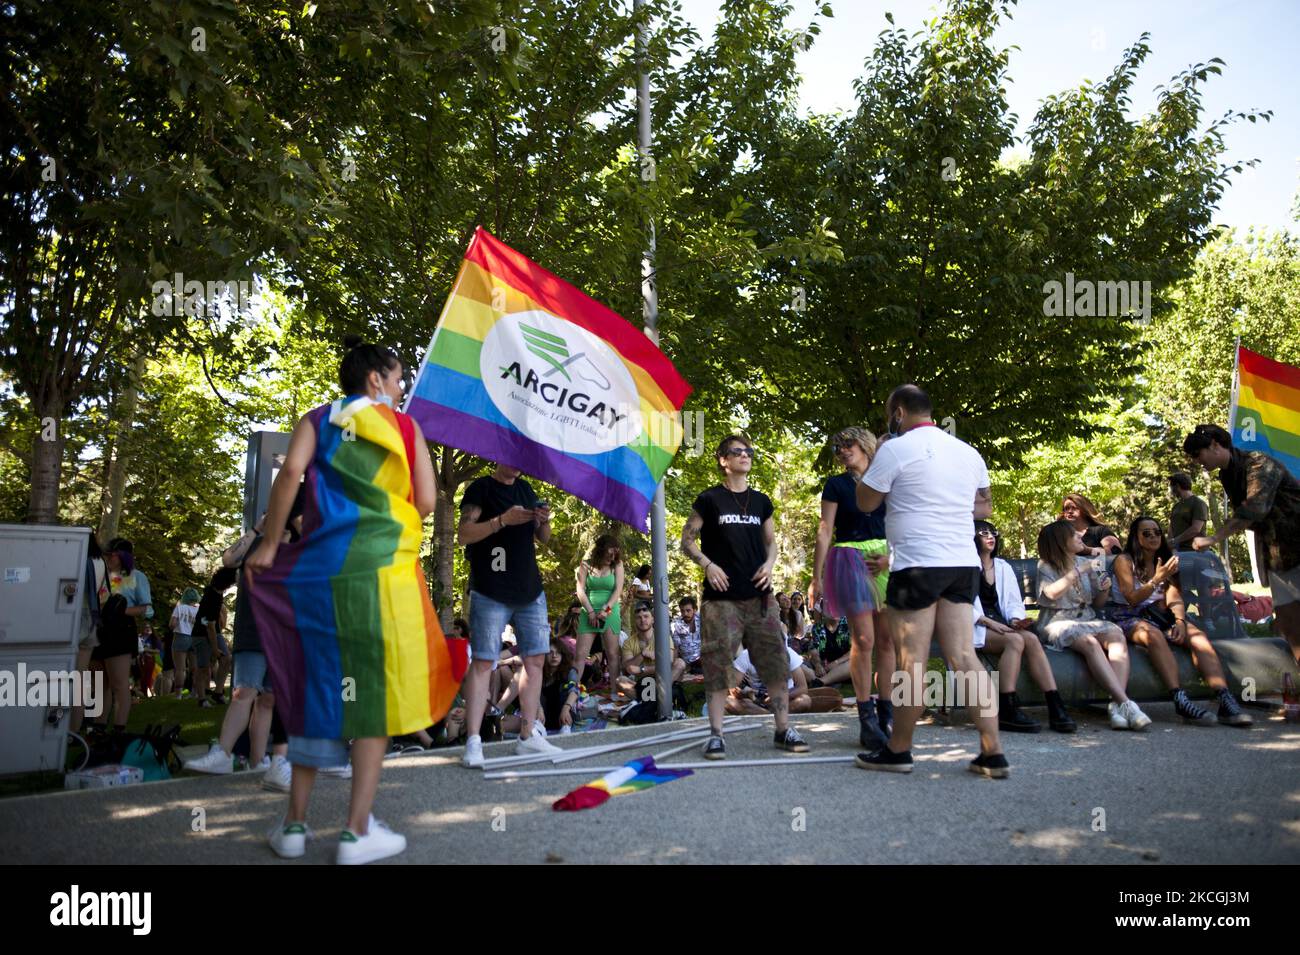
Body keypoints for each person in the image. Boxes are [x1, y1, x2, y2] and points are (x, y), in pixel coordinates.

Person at [246, 336, 462, 864]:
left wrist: (271, 545)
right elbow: (428, 502)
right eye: (397, 377)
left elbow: (290, 475)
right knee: (371, 700)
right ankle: (355, 831)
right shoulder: (407, 430)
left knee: (318, 688)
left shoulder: (316, 421)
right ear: (375, 381)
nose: (402, 386)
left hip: (322, 578)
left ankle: (294, 827)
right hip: (384, 580)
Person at [853, 384, 1007, 778]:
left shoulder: (894, 448)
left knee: (911, 662)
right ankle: (992, 753)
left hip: (916, 564)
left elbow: (865, 502)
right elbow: (985, 504)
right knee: (963, 656)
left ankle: (899, 751)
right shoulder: (968, 452)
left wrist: (878, 463)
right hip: (962, 564)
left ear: (899, 413)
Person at [681, 434, 810, 759]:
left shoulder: (761, 501)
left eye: (748, 451)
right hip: (720, 599)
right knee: (717, 664)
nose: (745, 456)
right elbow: (687, 540)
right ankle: (716, 735)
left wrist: (769, 565)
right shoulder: (709, 500)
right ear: (723, 460)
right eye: (737, 452)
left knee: (775, 664)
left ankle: (783, 730)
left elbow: (772, 544)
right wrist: (707, 564)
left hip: (761, 599)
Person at [457, 459, 562, 768]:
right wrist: (501, 520)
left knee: (536, 659)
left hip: (529, 589)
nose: (517, 464)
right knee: (484, 662)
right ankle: (474, 741)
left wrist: (542, 520)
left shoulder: (527, 490)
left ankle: (528, 736)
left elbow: (544, 538)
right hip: (490, 589)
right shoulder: (480, 488)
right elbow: (463, 534)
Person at [1107, 516, 1252, 727]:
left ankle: (1224, 698)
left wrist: (1180, 621)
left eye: (1157, 532)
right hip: (1130, 615)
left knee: (1199, 638)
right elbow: (1131, 597)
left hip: (1161, 614)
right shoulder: (1124, 560)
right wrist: (1157, 578)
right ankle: (1180, 699)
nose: (1153, 537)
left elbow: (1174, 596)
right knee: (1153, 636)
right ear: (1135, 538)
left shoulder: (1168, 559)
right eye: (1146, 533)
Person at [809, 425, 896, 749]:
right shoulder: (836, 485)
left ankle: (886, 712)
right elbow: (824, 531)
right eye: (838, 448)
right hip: (849, 560)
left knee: (887, 642)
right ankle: (866, 717)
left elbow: (904, 521)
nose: (843, 451)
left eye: (848, 444)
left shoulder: (887, 480)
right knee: (864, 639)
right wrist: (815, 577)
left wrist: (893, 556)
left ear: (864, 445)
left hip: (885, 560)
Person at [1185, 423, 1300, 664]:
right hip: (1278, 553)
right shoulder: (1227, 475)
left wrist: (1214, 537)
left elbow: (1254, 509)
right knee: (1289, 625)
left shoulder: (1259, 464)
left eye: (1198, 454)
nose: (1197, 461)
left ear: (1216, 445)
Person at [1035, 520, 1151, 731]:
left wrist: (1104, 590)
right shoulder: (1047, 565)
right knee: (1090, 643)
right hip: (1058, 621)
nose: (1080, 537)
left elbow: (1096, 603)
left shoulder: (1083, 560)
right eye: (1074, 535)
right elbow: (1051, 593)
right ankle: (1125, 703)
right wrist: (1081, 570)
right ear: (1061, 541)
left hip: (1086, 618)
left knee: (1116, 636)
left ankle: (1117, 706)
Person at [972, 520, 1076, 733]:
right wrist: (988, 622)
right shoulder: (964, 566)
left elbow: (1012, 603)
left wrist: (1015, 620)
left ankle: (1055, 706)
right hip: (974, 625)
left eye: (993, 532)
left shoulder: (1002, 567)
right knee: (1016, 640)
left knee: (1031, 639)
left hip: (1001, 624)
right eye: (983, 533)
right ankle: (1007, 709)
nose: (991, 536)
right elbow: (960, 604)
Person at [89, 538, 152, 735]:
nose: (107, 557)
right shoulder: (100, 575)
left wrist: (122, 610)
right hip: (99, 629)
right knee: (100, 683)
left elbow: (146, 608)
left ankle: (119, 729)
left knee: (118, 682)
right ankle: (98, 727)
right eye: (105, 554)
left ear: (123, 556)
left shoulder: (136, 576)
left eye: (111, 554)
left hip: (121, 630)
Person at [727, 644, 844, 715]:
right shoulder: (746, 655)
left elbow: (802, 687)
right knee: (728, 701)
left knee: (804, 700)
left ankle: (765, 715)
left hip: (786, 700)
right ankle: (769, 714)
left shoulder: (788, 653)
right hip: (757, 702)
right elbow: (732, 686)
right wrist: (743, 693)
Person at [574, 534, 624, 692]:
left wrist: (605, 610)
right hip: (588, 611)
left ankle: (616, 693)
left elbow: (618, 591)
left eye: (614, 554)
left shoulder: (617, 565)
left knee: (612, 654)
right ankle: (572, 693)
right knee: (580, 655)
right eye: (608, 554)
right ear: (600, 551)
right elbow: (580, 590)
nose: (611, 558)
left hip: (610, 612)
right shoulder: (585, 565)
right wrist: (590, 611)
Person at [71, 535, 108, 736]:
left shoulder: (77, 559)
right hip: (93, 619)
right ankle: (75, 729)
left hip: (75, 618)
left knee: (67, 678)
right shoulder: (100, 562)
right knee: (80, 677)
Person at [193, 567, 237, 709]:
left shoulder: (218, 594)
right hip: (201, 634)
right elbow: (209, 626)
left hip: (214, 632)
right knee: (203, 668)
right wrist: (215, 649)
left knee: (227, 659)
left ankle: (218, 693)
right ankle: (201, 699)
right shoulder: (211, 596)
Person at [622, 602, 686, 685]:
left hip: (664, 678)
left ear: (652, 619)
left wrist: (642, 669)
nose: (642, 620)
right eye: (638, 617)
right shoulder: (628, 642)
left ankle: (658, 691)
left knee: (680, 663)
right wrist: (642, 654)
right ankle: (657, 693)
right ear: (635, 621)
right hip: (642, 682)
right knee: (621, 680)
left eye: (646, 616)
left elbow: (669, 662)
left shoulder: (663, 637)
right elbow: (628, 668)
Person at [168, 588, 200, 701]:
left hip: (181, 637)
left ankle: (178, 695)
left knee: (180, 669)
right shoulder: (199, 610)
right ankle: (195, 693)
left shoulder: (180, 608)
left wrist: (178, 624)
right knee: (195, 668)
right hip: (195, 638)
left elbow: (172, 624)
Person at [1167, 472, 1209, 552]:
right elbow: (1171, 528)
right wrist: (1171, 546)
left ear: (1178, 486)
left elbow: (1196, 529)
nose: (1171, 490)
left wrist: (1175, 541)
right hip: (1178, 552)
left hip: (1195, 551)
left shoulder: (1198, 503)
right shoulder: (1176, 506)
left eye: (1171, 487)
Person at [671, 596, 703, 674]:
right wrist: (672, 665)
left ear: (695, 610)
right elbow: (676, 647)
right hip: (687, 660)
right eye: (682, 611)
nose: (685, 614)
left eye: (688, 610)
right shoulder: (676, 624)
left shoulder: (702, 619)